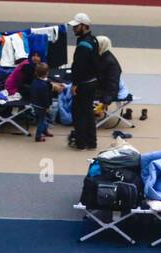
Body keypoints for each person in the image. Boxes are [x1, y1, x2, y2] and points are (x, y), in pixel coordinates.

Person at [67, 13, 98, 151]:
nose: (73, 29)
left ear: (84, 26)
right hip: (92, 82)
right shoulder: (94, 40)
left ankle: (80, 143)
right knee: (88, 112)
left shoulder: (83, 45)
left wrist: (75, 84)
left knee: (78, 113)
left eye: (76, 26)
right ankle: (91, 142)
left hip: (83, 84)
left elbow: (79, 66)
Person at [27, 62, 63, 142]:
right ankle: (38, 136)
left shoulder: (35, 81)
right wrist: (47, 106)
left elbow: (47, 83)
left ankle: (45, 131)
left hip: (35, 104)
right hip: (42, 106)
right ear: (47, 73)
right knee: (42, 121)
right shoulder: (44, 86)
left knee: (43, 119)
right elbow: (45, 97)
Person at [96, 36, 122, 105]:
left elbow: (112, 83)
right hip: (99, 87)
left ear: (102, 46)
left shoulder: (109, 62)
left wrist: (107, 99)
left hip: (103, 91)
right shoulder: (101, 56)